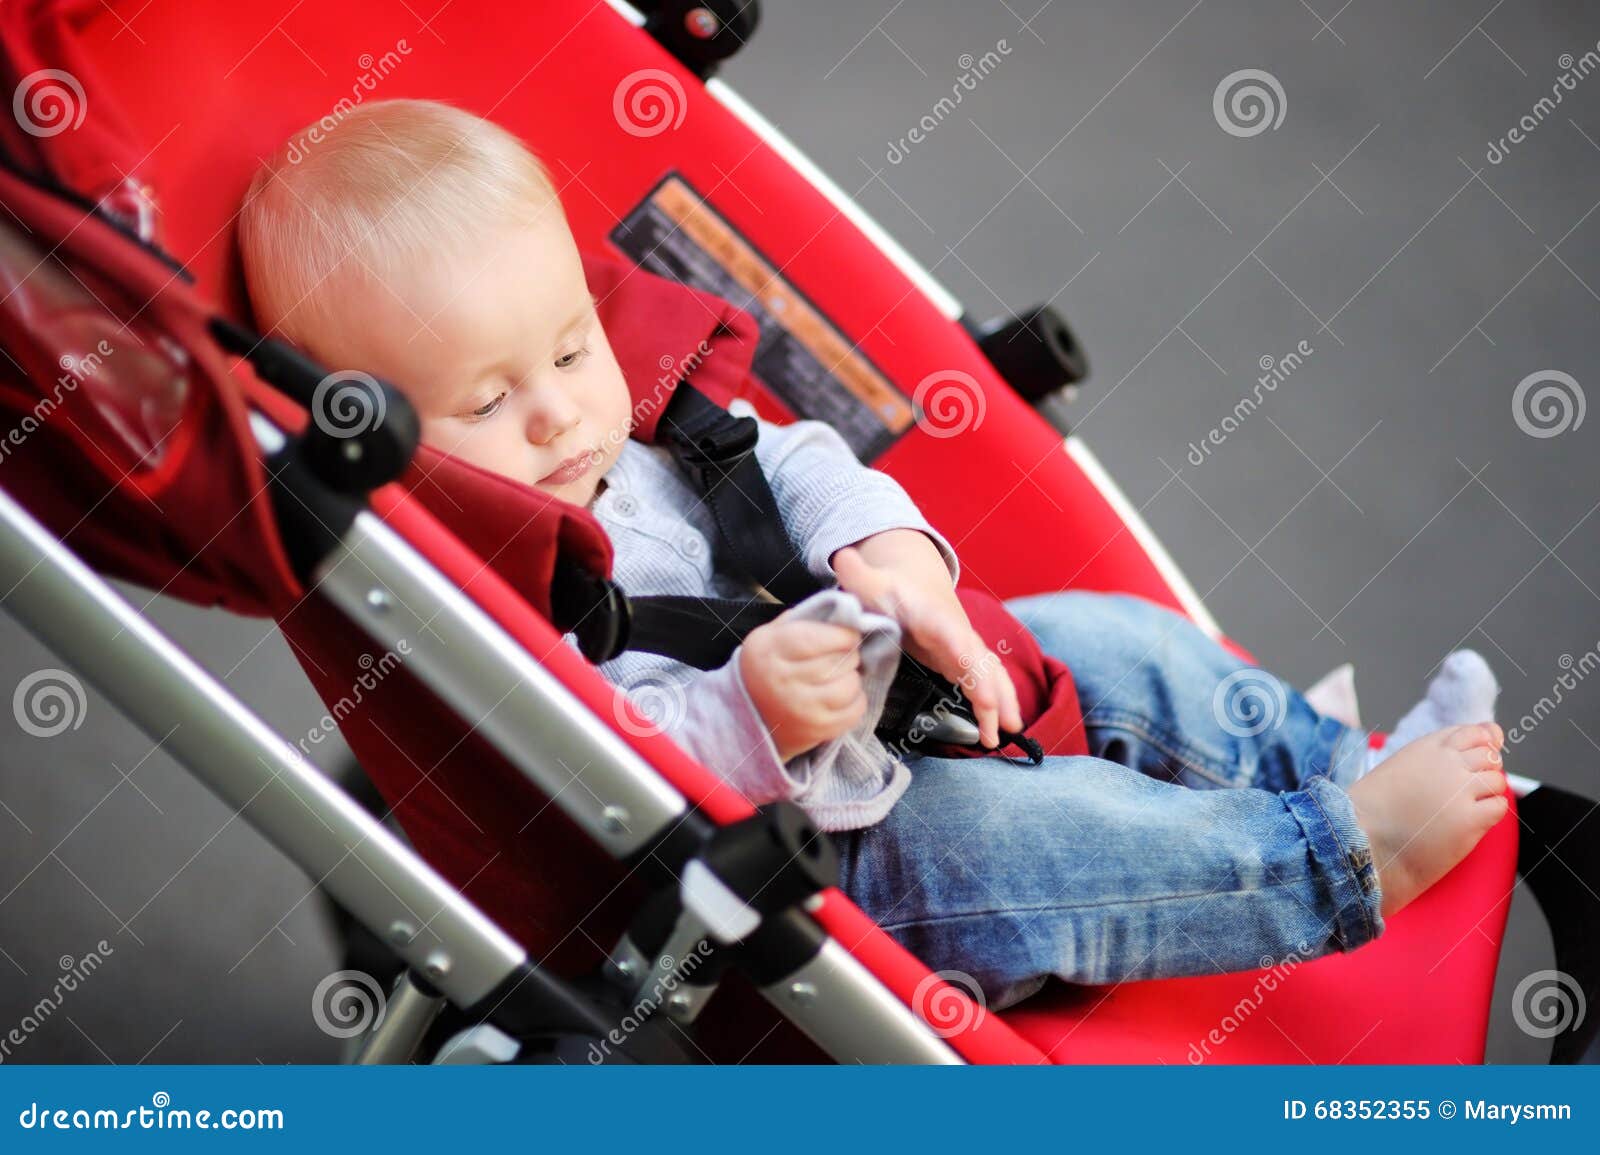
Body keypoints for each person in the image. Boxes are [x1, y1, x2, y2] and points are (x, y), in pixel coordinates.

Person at [238, 99, 1511, 1009]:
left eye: (572, 348)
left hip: (911, 685)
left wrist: (891, 552)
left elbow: (794, 458)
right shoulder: (475, 597)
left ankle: (1330, 759)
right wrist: (753, 710)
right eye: (484, 401)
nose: (559, 413)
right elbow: (592, 763)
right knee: (1022, 833)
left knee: (1113, 636)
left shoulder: (638, 439)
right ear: (379, 436)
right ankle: (1334, 862)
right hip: (830, 859)